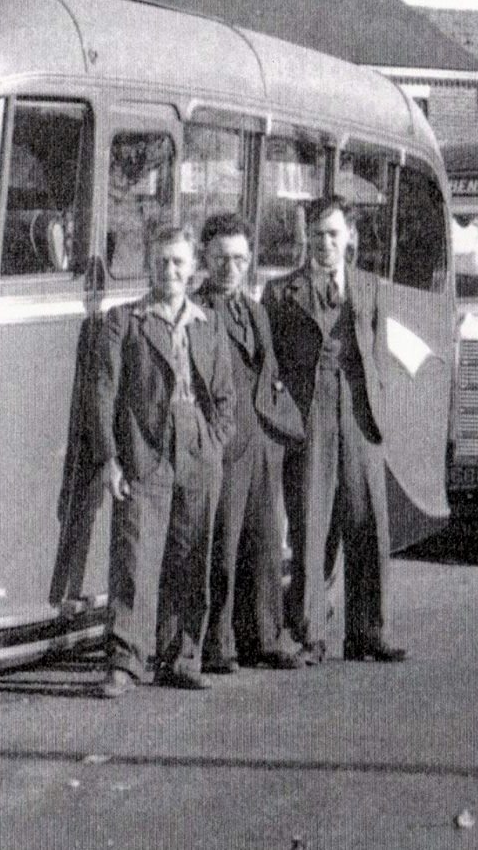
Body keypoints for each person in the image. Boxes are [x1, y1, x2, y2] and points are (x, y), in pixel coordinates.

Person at [88, 223, 238, 696]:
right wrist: (110, 458)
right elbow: (103, 394)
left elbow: (225, 396)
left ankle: (181, 658)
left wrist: (213, 442)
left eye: (178, 262)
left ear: (193, 269)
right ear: (148, 266)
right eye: (161, 261)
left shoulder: (207, 323)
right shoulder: (125, 320)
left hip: (197, 445)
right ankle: (125, 662)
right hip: (144, 447)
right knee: (135, 554)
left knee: (190, 554)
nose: (169, 270)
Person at [262, 196, 407, 664]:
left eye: (333, 234)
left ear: (350, 237)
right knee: (311, 519)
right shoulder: (280, 293)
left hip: (360, 413)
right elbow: (270, 363)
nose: (325, 243)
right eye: (317, 234)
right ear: (306, 238)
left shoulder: (369, 286)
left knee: (368, 521)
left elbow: (378, 352)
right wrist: (284, 418)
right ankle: (309, 632)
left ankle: (369, 632)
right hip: (310, 414)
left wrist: (377, 406)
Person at [195, 213, 308, 675]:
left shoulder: (256, 309)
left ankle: (265, 636)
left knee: (264, 542)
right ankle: (217, 644)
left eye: (240, 259)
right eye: (221, 258)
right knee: (222, 545)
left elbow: (269, 370)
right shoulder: (196, 310)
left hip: (261, 440)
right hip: (223, 440)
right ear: (205, 258)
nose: (231, 268)